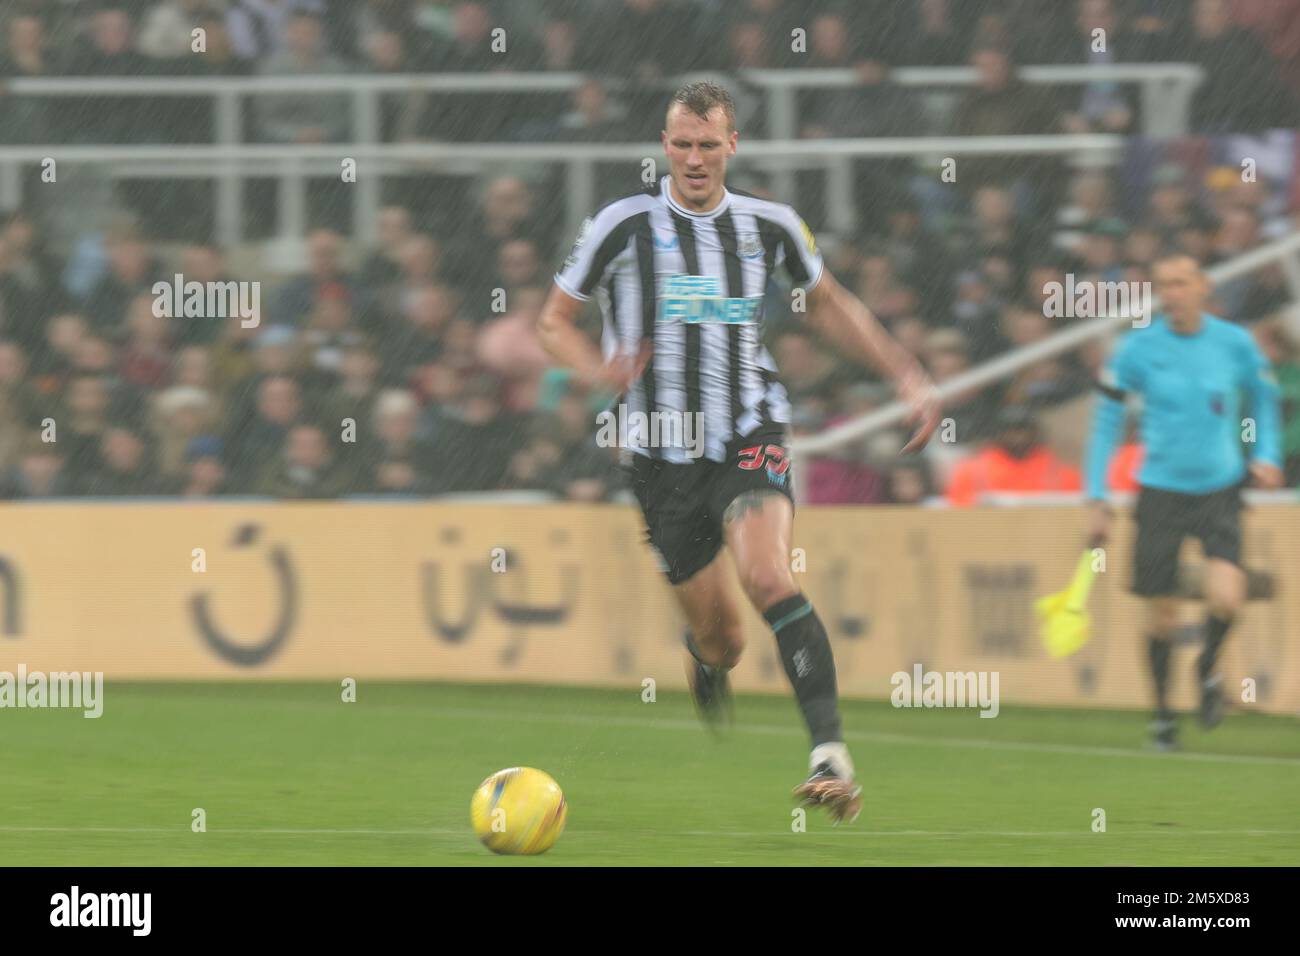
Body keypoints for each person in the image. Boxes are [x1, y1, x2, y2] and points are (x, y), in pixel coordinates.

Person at [537, 83, 940, 823]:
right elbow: (553, 321)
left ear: (732, 147)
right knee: (723, 639)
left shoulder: (770, 225)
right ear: (664, 146)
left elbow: (828, 304)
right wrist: (597, 369)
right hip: (660, 457)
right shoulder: (620, 227)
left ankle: (830, 755)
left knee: (768, 576)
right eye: (681, 143)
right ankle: (706, 661)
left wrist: (904, 372)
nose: (694, 158)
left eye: (708, 144)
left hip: (749, 433)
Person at [1085, 254, 1283, 751]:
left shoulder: (1234, 343)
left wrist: (1266, 453)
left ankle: (1207, 665)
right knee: (1162, 617)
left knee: (1228, 597)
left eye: (1179, 283)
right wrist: (1096, 495)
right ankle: (1163, 715)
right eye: (1163, 285)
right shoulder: (1137, 349)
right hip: (1160, 491)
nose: (1170, 293)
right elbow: (1107, 419)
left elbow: (1264, 397)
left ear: (1202, 287)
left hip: (1220, 488)